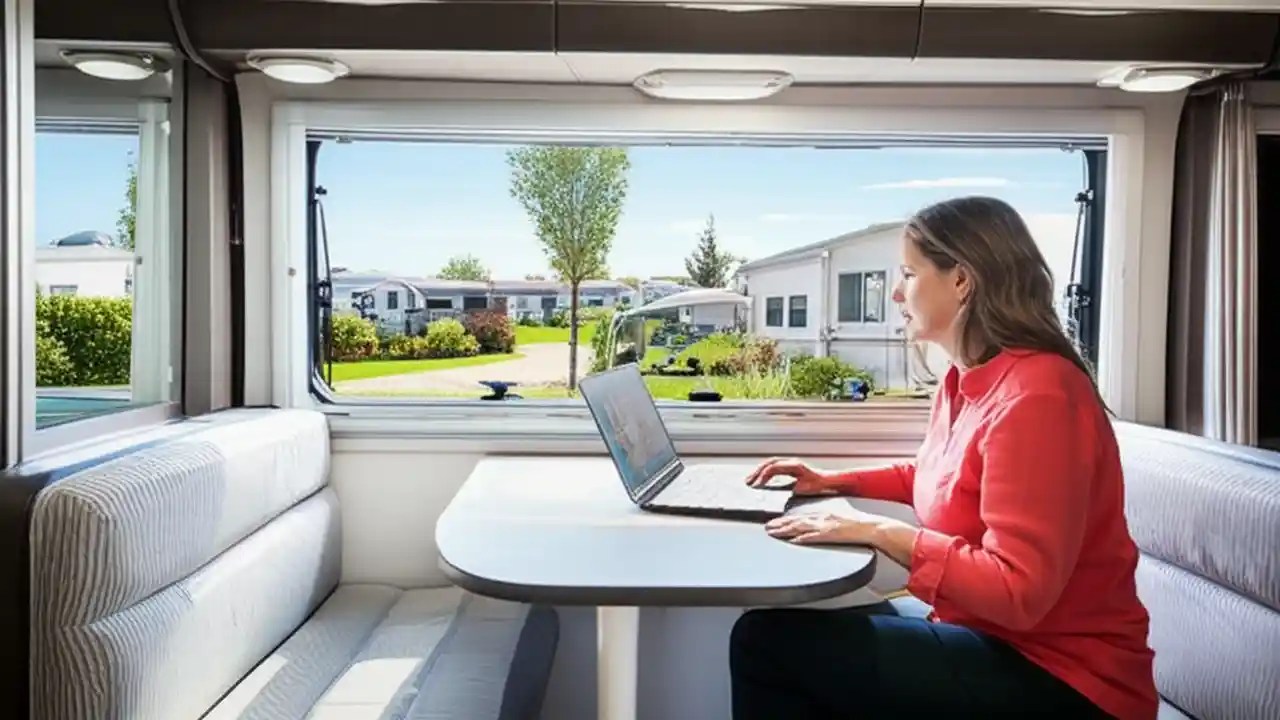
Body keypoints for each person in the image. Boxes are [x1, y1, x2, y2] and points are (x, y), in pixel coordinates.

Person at [731, 196, 1157, 720]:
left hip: (1067, 679)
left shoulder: (1039, 396)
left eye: (909, 274)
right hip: (990, 639)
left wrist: (878, 532)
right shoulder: (963, 379)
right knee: (796, 623)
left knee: (765, 643)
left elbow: (1018, 591)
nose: (895, 292)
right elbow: (940, 476)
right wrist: (828, 481)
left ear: (962, 280)